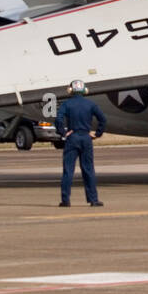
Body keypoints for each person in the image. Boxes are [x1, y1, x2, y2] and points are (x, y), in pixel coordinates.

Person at [55, 79, 106, 207]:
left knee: (68, 170)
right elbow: (103, 119)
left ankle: (65, 200)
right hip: (86, 137)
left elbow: (58, 120)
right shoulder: (90, 104)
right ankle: (93, 200)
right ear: (85, 90)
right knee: (88, 169)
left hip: (72, 137)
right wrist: (97, 134)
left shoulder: (66, 104)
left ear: (70, 90)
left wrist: (63, 133)